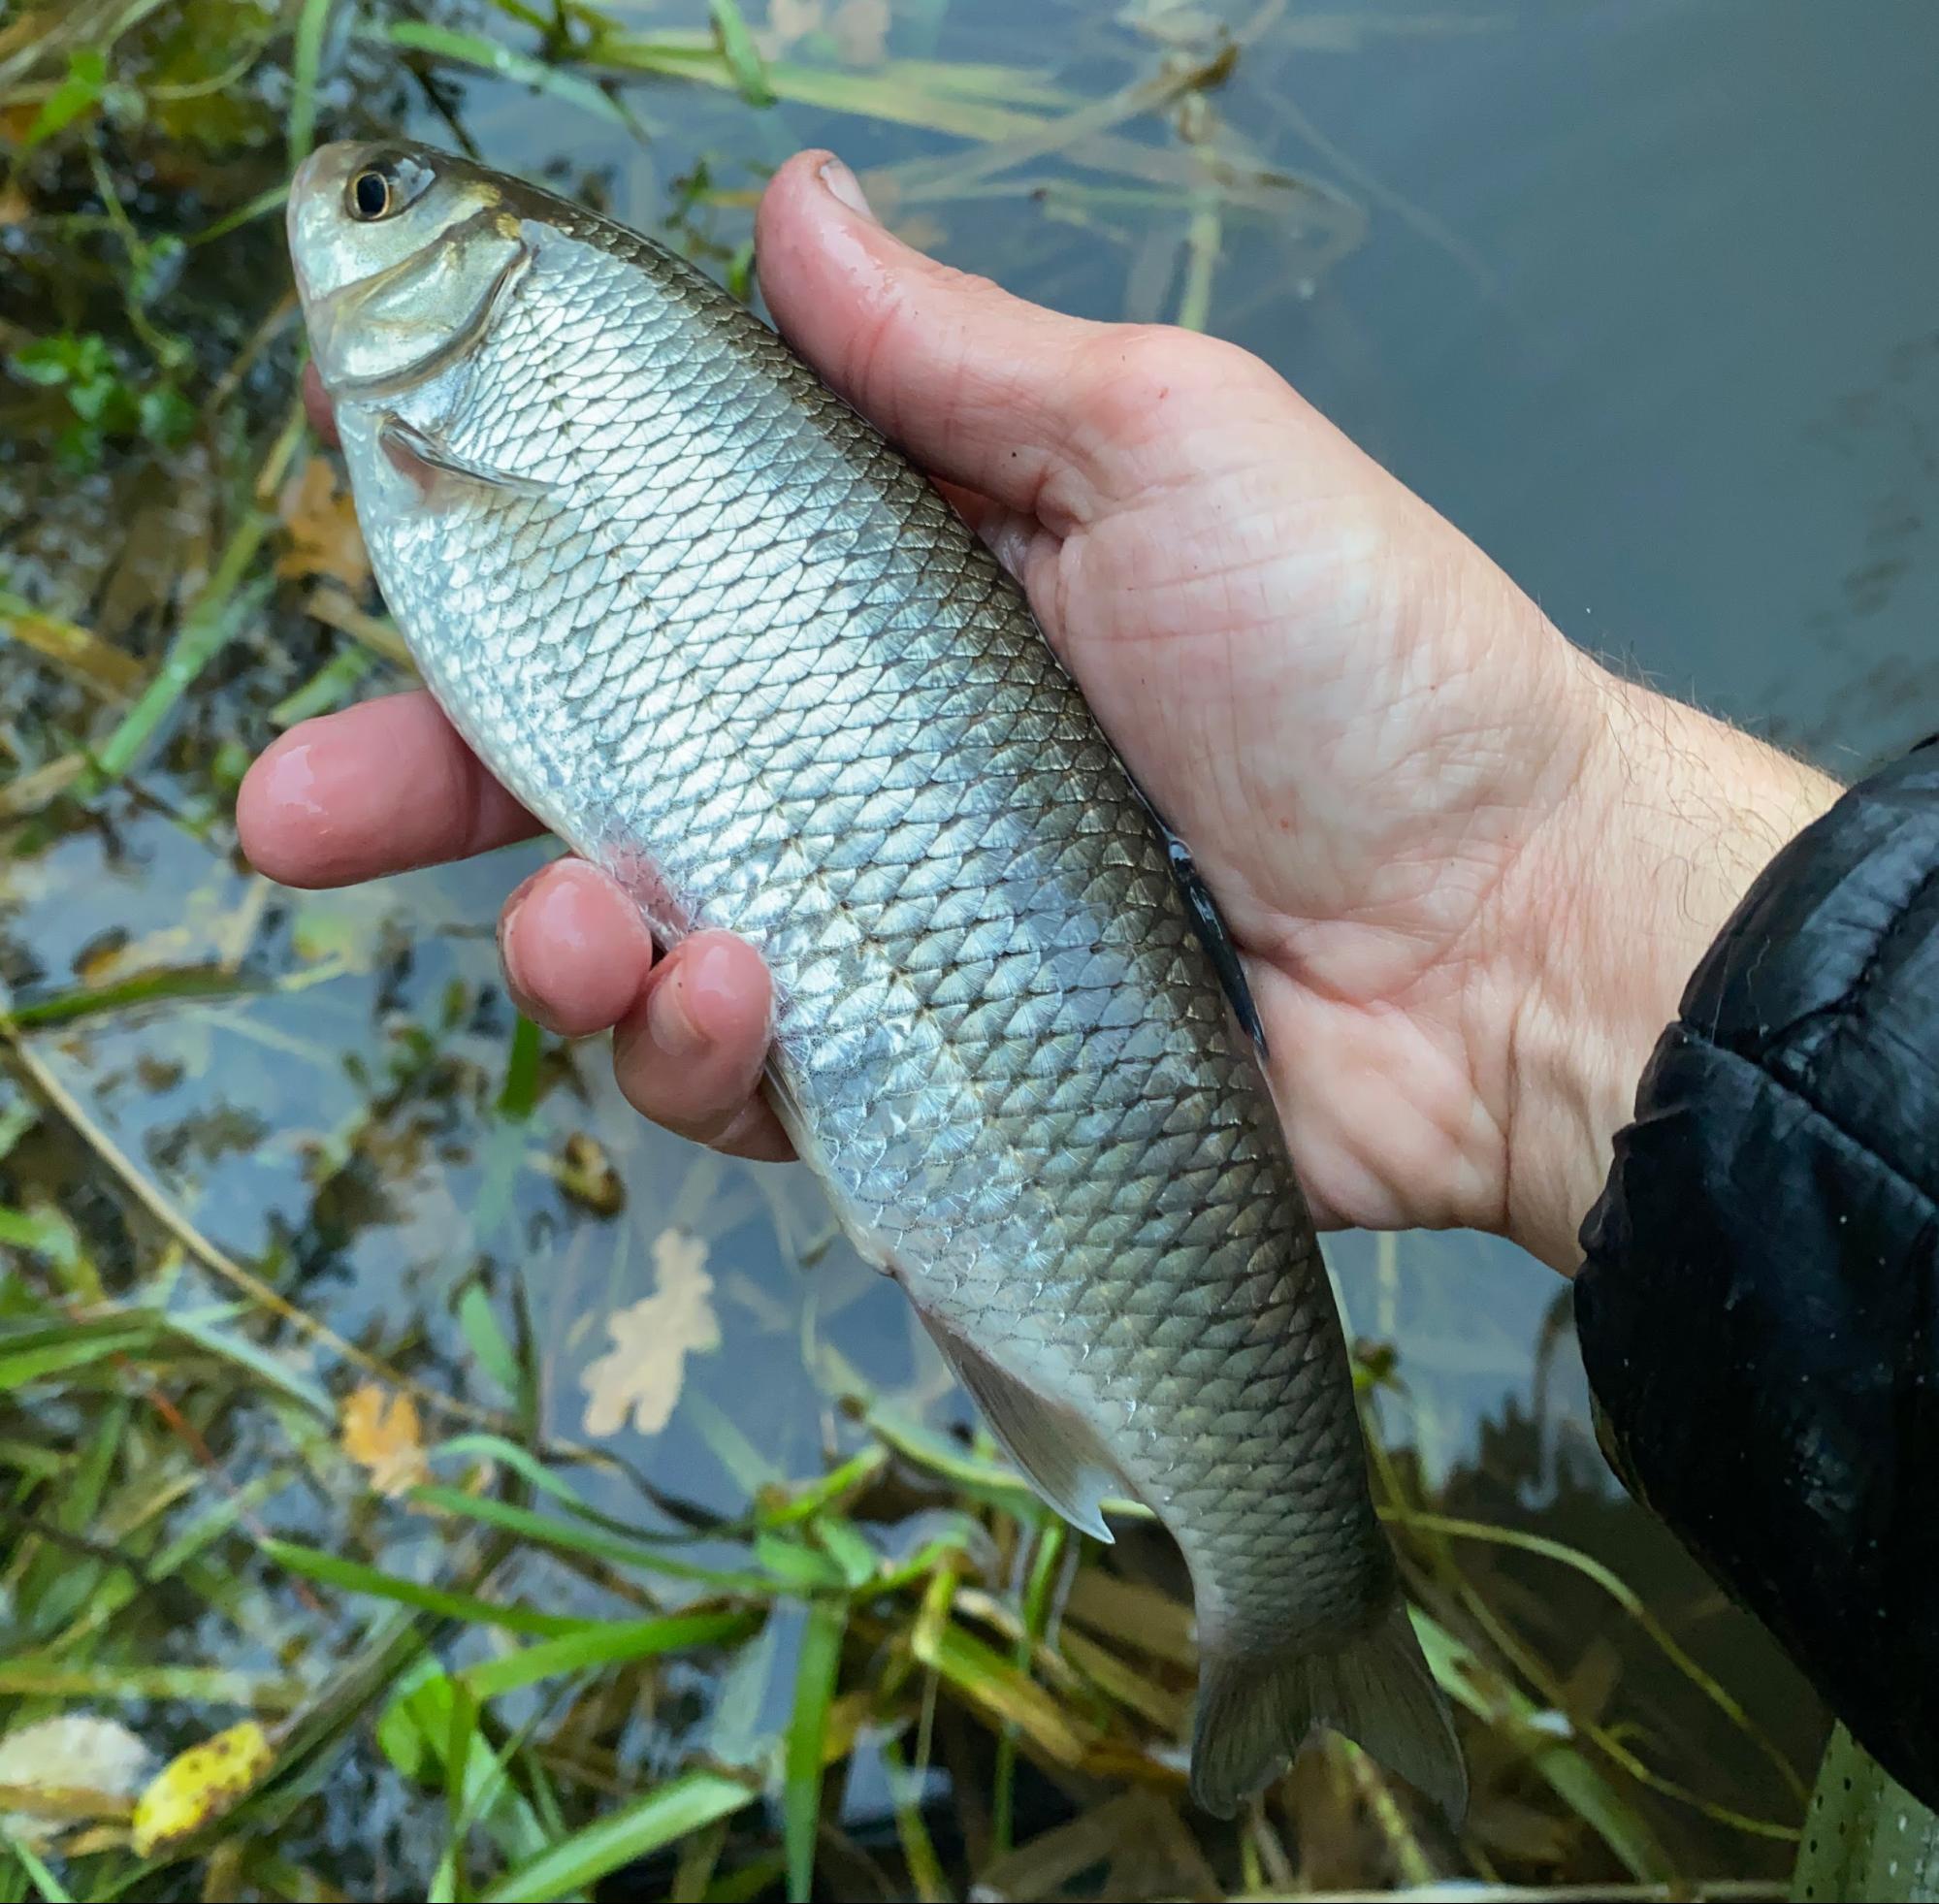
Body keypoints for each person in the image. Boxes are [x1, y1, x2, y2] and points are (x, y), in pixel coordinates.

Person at [240, 151, 1939, 1807]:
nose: (344, 202)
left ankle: (1303, 1595)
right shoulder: (478, 393)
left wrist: (1532, 878)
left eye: (381, 196)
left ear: (481, 265)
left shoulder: (515, 363)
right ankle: (1294, 1584)